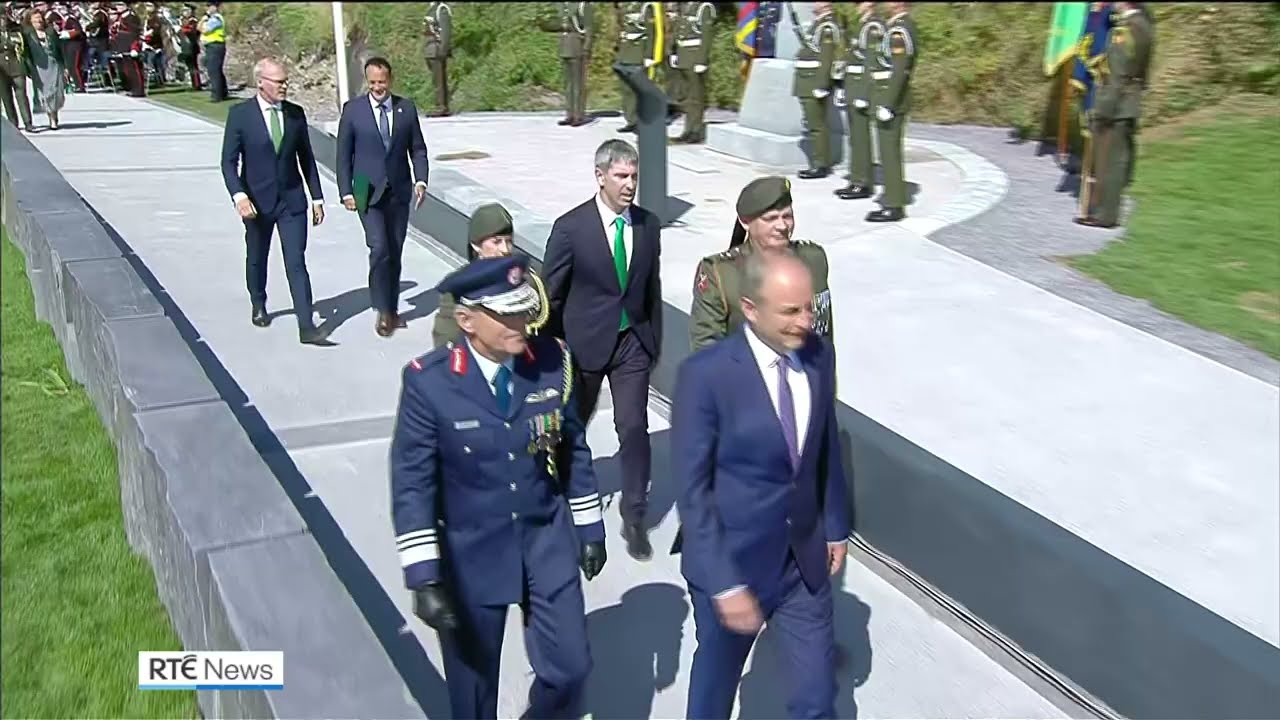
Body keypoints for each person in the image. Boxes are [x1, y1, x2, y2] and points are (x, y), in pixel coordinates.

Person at [390, 254, 607, 720]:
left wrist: (590, 529)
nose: (522, 321)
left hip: (544, 541)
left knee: (570, 668)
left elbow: (573, 448)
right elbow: (413, 483)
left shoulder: (552, 363)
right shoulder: (430, 383)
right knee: (473, 694)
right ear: (466, 320)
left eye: (524, 308)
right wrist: (423, 574)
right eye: (505, 313)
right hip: (472, 553)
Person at [673, 248, 850, 720]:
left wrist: (835, 524)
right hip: (732, 567)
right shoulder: (704, 377)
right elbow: (693, 492)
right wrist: (725, 583)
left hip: (802, 567)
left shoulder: (817, 357)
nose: (805, 321)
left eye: (809, 307)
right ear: (750, 310)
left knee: (816, 700)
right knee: (714, 694)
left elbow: (823, 443)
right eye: (790, 311)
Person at [543, 138, 663, 561]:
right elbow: (549, 294)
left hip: (632, 345)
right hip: (583, 347)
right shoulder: (570, 228)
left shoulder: (648, 226)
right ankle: (566, 497)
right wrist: (551, 347)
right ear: (600, 177)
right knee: (572, 428)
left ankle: (635, 513)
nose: (630, 185)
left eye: (634, 176)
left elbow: (651, 289)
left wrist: (652, 345)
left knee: (633, 428)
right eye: (621, 176)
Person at [219, 57, 328, 345]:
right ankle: (258, 301)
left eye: (285, 80)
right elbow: (228, 162)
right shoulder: (240, 115)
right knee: (257, 256)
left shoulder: (295, 114)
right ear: (261, 83)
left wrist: (316, 197)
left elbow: (306, 158)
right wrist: (239, 196)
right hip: (256, 201)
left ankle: (306, 325)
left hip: (292, 201)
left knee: (296, 261)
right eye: (279, 81)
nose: (284, 86)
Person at [336, 56, 430, 337]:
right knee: (379, 248)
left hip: (398, 190)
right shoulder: (353, 111)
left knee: (395, 249)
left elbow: (418, 149)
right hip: (365, 189)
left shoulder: (406, 109)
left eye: (382, 82)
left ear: (390, 80)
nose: (378, 87)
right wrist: (346, 191)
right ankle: (381, 308)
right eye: (373, 82)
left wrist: (421, 179)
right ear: (367, 81)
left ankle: (391, 308)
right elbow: (343, 155)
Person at [689, 176, 834, 352]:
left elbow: (824, 338)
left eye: (787, 216)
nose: (782, 225)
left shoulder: (813, 259)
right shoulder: (721, 274)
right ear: (745, 222)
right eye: (770, 218)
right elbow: (706, 353)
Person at [1075, 1, 1152, 229]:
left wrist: (1103, 110)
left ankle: (1105, 215)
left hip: (1116, 106)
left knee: (1109, 162)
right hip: (1128, 102)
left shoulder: (1125, 30)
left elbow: (1117, 76)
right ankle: (1106, 213)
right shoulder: (1145, 24)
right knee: (1116, 160)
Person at [431, 202, 550, 348]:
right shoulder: (461, 287)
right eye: (496, 242)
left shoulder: (528, 280)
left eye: (509, 241)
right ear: (476, 245)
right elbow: (446, 339)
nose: (505, 249)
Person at [868, 1, 916, 222]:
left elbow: (899, 71)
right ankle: (891, 198)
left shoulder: (899, 30)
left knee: (890, 154)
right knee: (887, 153)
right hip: (886, 96)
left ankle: (894, 205)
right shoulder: (894, 26)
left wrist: (888, 103)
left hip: (891, 99)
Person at [835, 2, 883, 200]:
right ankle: (856, 179)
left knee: (862, 139)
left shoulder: (874, 27)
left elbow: (872, 62)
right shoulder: (862, 25)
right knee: (855, 139)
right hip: (853, 87)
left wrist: (864, 93)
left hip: (862, 89)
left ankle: (863, 183)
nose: (858, 6)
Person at [791, 0, 840, 178]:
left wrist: (822, 84)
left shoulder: (827, 27)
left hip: (813, 82)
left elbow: (827, 58)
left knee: (816, 126)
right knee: (812, 124)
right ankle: (818, 161)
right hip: (806, 81)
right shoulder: (819, 24)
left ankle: (820, 164)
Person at [538, 1, 591, 127]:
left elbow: (589, 28)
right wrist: (542, 23)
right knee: (568, 84)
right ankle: (570, 114)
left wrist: (586, 49)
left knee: (578, 84)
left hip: (577, 46)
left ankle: (579, 115)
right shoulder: (561, 5)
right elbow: (558, 25)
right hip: (565, 46)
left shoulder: (583, 5)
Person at [669, 1, 715, 144]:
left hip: (695, 56)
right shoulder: (684, 7)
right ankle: (687, 130)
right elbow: (678, 30)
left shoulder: (704, 7)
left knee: (695, 97)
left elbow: (706, 36)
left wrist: (702, 60)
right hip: (683, 55)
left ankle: (695, 131)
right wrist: (674, 52)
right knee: (686, 97)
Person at [614, 0, 657, 134]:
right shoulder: (626, 7)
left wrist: (649, 55)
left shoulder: (646, 7)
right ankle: (631, 120)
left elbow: (651, 33)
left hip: (638, 53)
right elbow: (622, 29)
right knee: (626, 90)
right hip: (625, 53)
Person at [24, 9, 62, 129]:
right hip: (38, 66)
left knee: (55, 91)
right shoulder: (27, 33)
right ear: (30, 20)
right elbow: (25, 52)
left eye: (39, 18)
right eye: (35, 18)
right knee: (44, 93)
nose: (38, 21)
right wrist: (28, 68)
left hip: (54, 64)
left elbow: (59, 49)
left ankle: (53, 115)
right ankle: (50, 115)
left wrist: (64, 66)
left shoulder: (50, 31)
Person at [0, 10, 33, 131]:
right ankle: (13, 123)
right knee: (6, 97)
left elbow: (25, 48)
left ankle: (28, 122)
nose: (2, 21)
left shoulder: (17, 31)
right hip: (1, 70)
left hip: (17, 67)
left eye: (4, 18)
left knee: (22, 95)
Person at [420, 1, 451, 117]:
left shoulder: (441, 9)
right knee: (436, 80)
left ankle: (441, 106)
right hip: (429, 49)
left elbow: (445, 32)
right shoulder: (432, 9)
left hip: (436, 49)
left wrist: (443, 50)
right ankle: (441, 105)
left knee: (439, 80)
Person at [198, 0, 225, 101]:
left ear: (215, 7)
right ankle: (223, 92)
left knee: (214, 71)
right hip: (212, 46)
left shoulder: (216, 19)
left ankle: (217, 95)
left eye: (210, 6)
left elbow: (204, 30)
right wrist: (203, 20)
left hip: (216, 46)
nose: (208, 9)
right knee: (216, 70)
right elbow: (199, 27)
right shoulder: (210, 19)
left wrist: (203, 20)